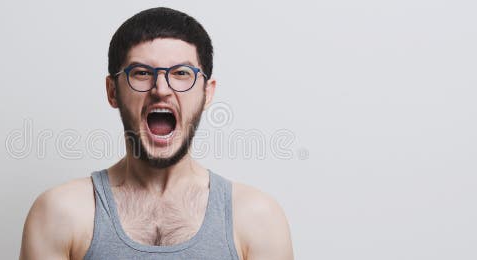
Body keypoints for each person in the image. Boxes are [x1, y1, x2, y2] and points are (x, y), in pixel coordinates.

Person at [19, 7, 294, 260]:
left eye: (181, 73)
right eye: (141, 73)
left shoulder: (257, 218)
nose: (161, 88)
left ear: (207, 93)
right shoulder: (60, 213)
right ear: (112, 91)